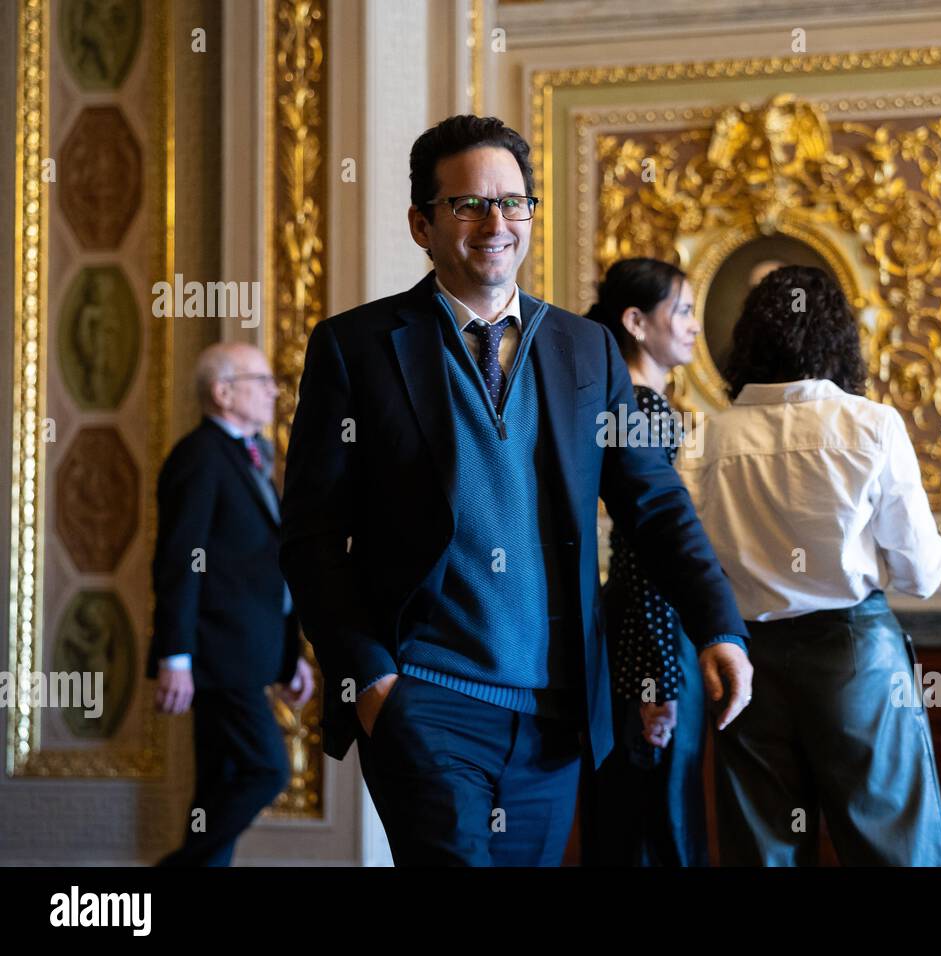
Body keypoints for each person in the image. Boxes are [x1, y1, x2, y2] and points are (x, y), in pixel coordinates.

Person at [279, 115, 753, 866]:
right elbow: (309, 535)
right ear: (421, 224)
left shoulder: (586, 349)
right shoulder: (356, 348)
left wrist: (718, 626)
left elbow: (653, 502)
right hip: (424, 704)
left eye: (513, 202)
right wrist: (372, 681)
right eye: (468, 204)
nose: (495, 222)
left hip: (556, 720)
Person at [679, 265, 941, 866]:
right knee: (894, 853)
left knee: (762, 854)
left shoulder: (704, 439)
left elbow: (693, 565)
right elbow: (922, 575)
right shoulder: (870, 425)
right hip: (856, 660)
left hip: (748, 664)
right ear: (837, 339)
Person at [149, 342, 313, 866]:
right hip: (220, 658)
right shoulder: (200, 457)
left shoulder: (251, 456)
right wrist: (175, 655)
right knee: (267, 769)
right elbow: (179, 562)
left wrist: (290, 659)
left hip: (248, 654)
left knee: (219, 779)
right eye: (260, 380)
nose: (273, 391)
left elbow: (264, 568)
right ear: (223, 393)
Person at [580, 258, 712, 866]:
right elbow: (646, 559)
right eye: (682, 310)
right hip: (651, 643)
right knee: (659, 831)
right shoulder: (645, 409)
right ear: (636, 321)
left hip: (629, 640)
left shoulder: (633, 404)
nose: (692, 325)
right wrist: (657, 678)